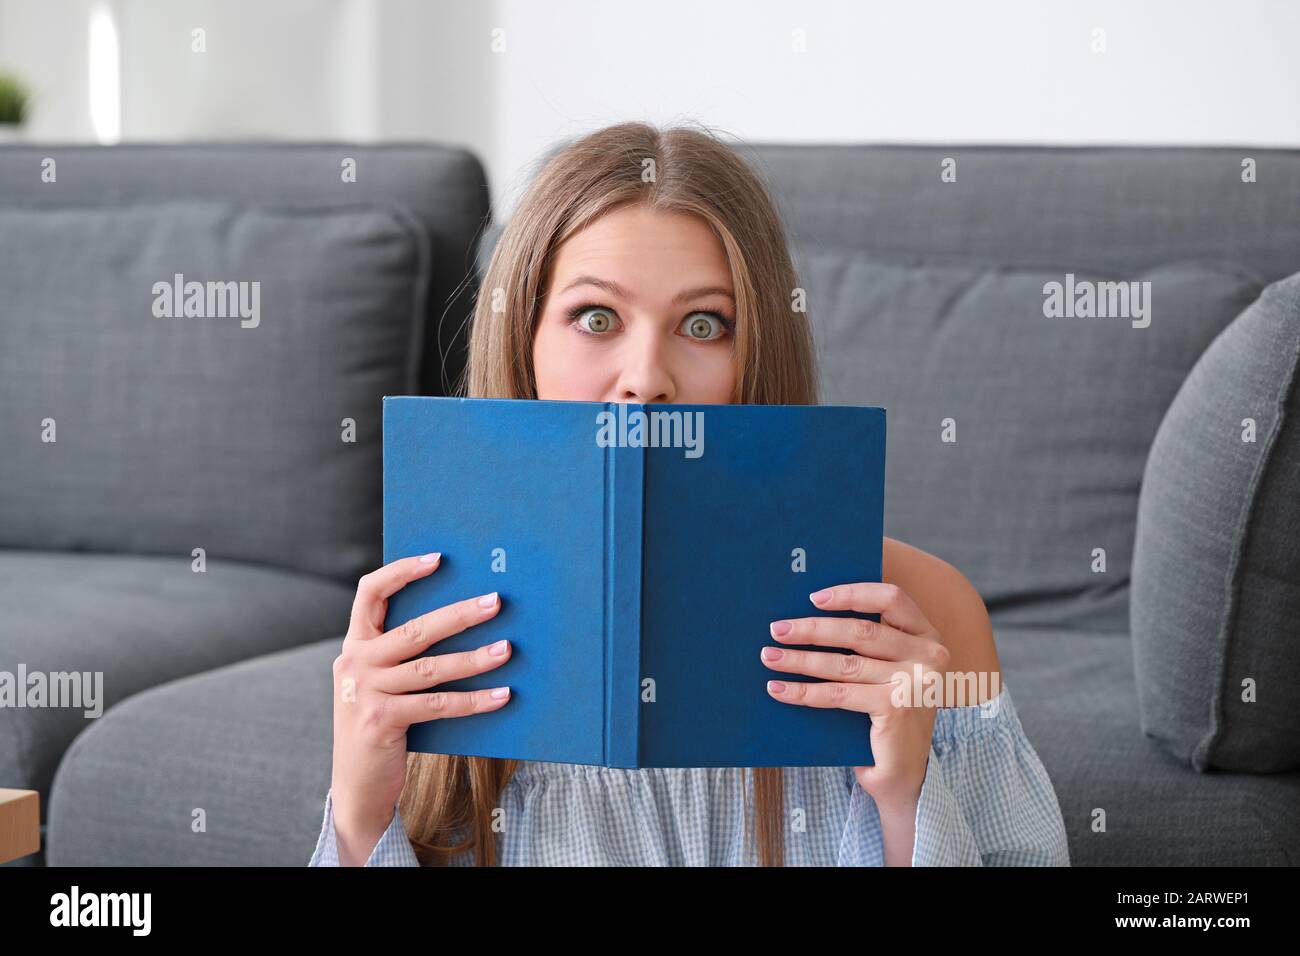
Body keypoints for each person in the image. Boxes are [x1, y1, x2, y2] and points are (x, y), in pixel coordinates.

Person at [310, 120, 1070, 867]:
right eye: (596, 317)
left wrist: (907, 801)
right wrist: (358, 815)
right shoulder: (434, 614)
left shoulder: (924, 613)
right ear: (524, 341)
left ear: (759, 352)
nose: (648, 378)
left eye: (704, 324)